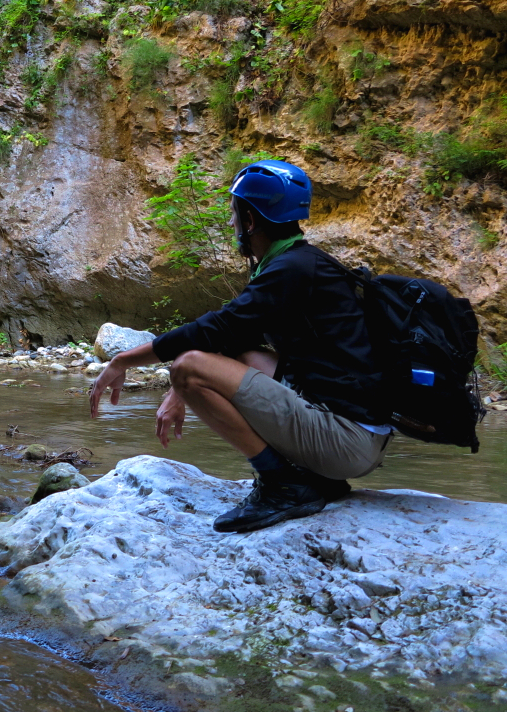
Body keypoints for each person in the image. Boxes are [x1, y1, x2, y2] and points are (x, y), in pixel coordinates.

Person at [88, 159, 393, 533]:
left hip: (347, 441)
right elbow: (233, 339)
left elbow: (213, 329)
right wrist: (177, 395)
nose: (232, 224)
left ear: (249, 221)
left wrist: (124, 360)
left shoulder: (290, 270)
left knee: (187, 367)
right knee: (239, 354)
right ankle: (311, 478)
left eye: (235, 215)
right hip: (356, 435)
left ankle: (283, 486)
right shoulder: (302, 263)